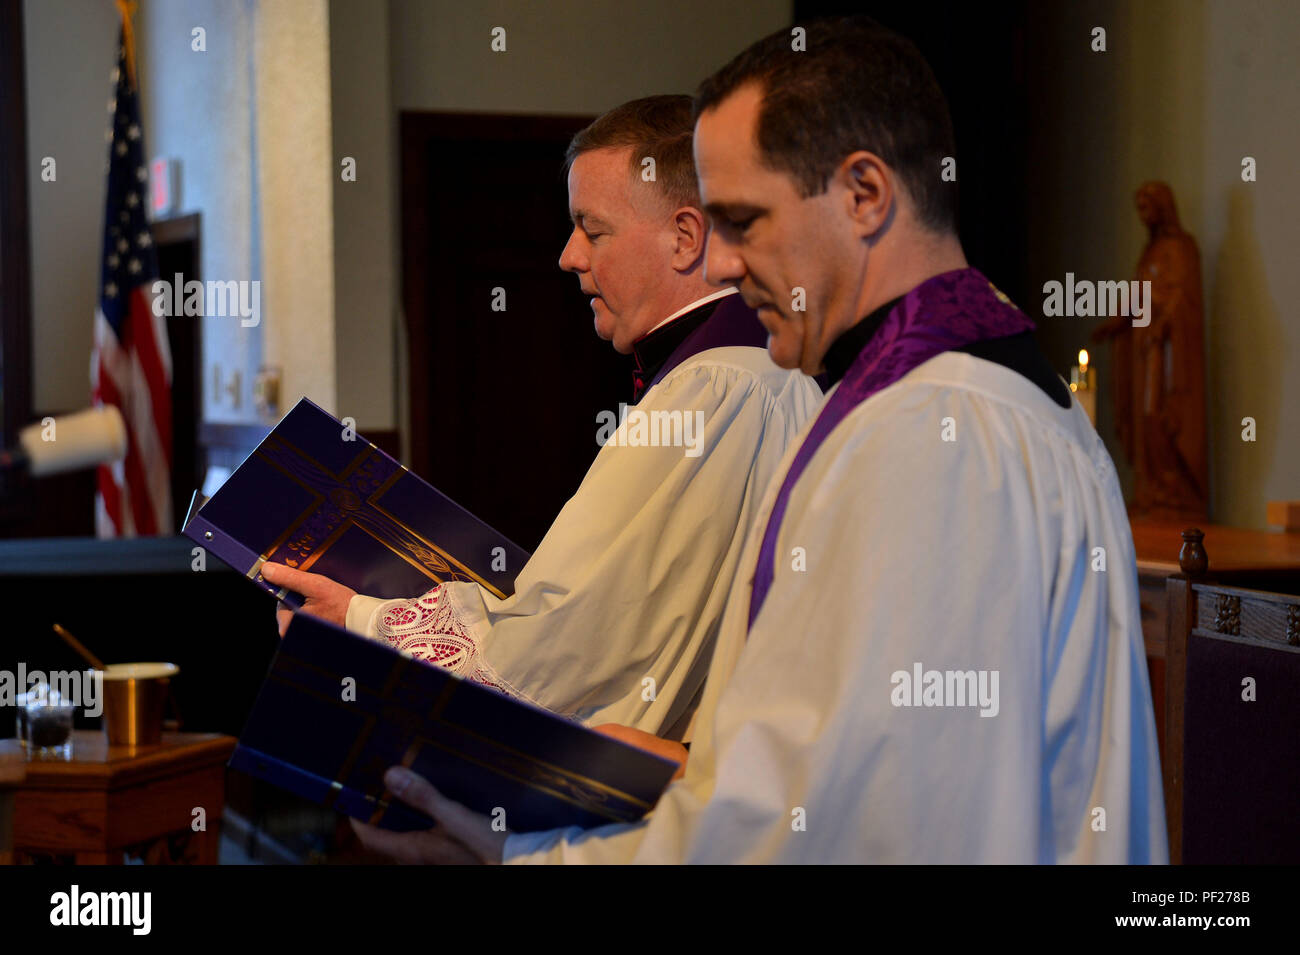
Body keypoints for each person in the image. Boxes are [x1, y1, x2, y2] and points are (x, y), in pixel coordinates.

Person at [350, 16, 1168, 864]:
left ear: (865, 194)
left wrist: (519, 856)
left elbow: (821, 820)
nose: (727, 263)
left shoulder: (927, 434)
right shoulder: (1026, 398)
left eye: (745, 219)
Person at [262, 95, 822, 746]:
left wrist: (357, 618)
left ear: (686, 236)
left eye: (593, 228)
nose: (568, 255)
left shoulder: (707, 392)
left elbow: (559, 657)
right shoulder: (772, 369)